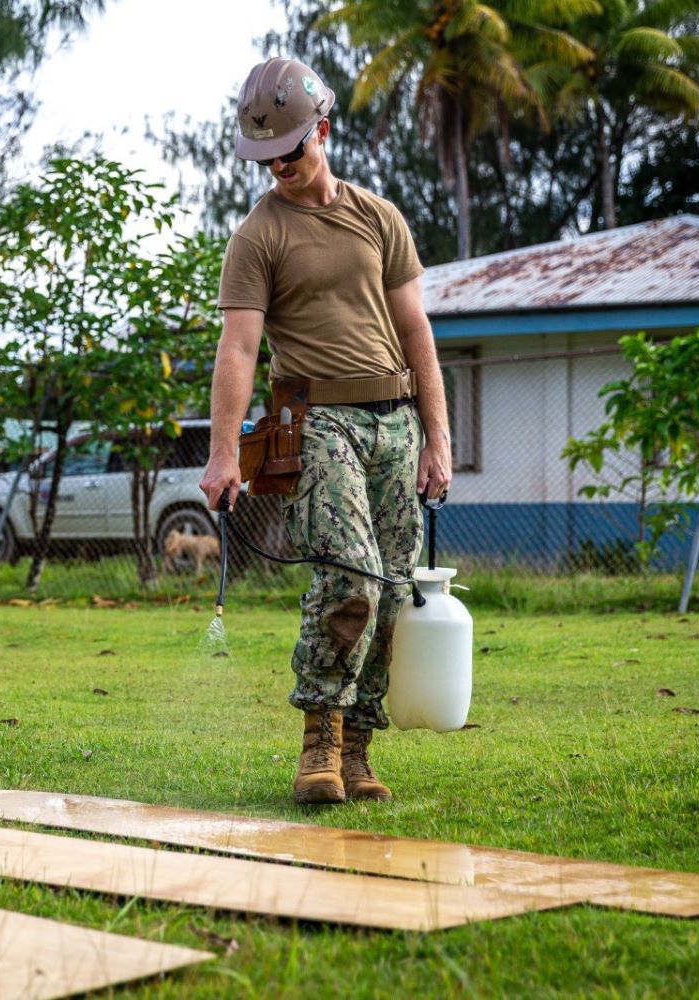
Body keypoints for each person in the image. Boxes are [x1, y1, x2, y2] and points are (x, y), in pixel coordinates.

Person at [199, 57, 452, 805]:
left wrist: (437, 439)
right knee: (349, 574)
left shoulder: (379, 218)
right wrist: (222, 455)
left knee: (396, 588)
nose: (277, 166)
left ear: (324, 132)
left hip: (395, 423)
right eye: (264, 157)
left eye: (290, 151)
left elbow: (419, 335)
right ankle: (320, 737)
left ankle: (359, 750)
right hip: (317, 421)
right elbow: (239, 349)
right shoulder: (257, 237)